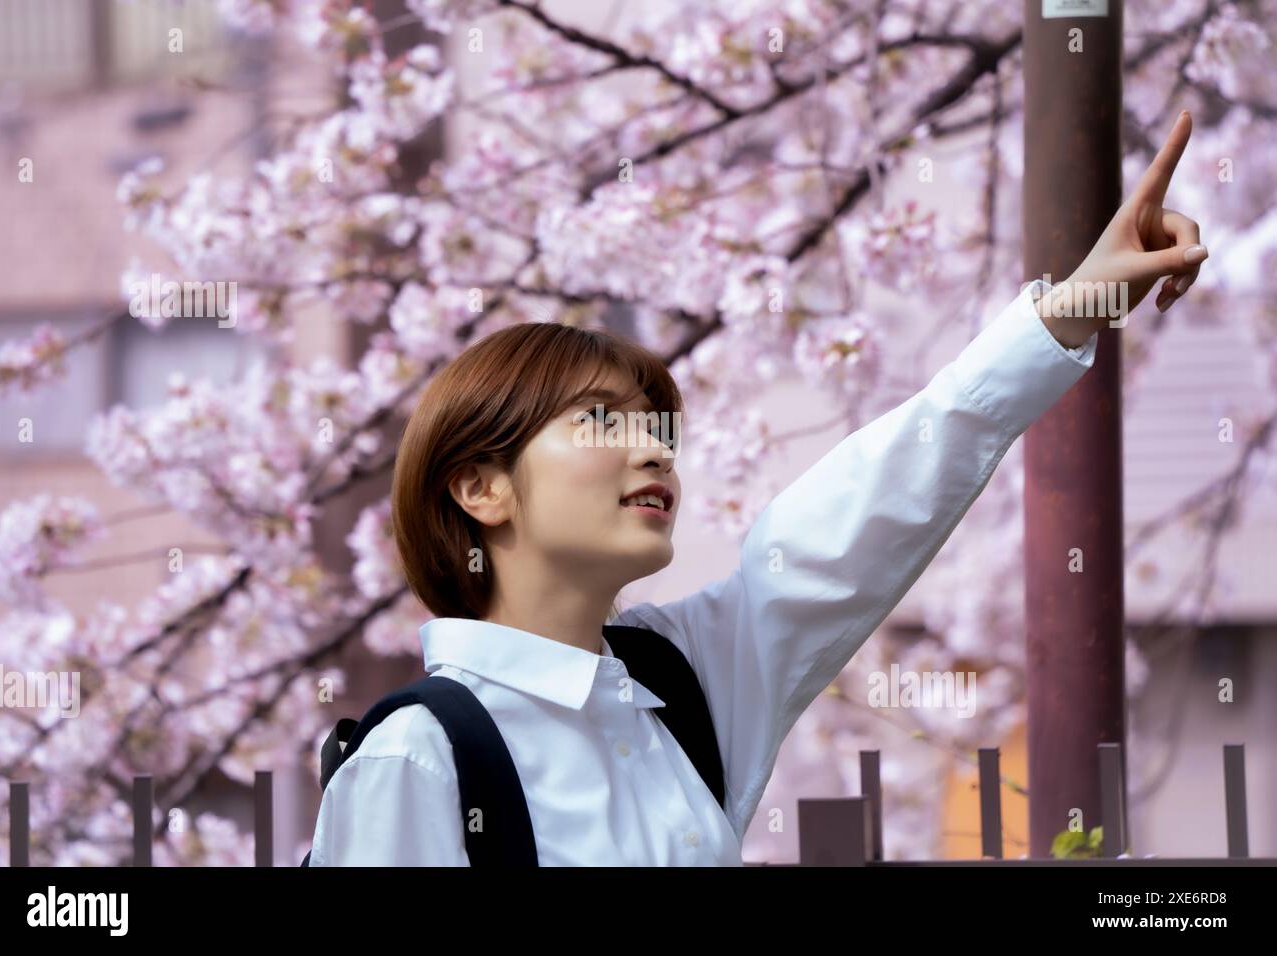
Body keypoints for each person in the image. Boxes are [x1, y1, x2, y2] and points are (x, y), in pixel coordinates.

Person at [307, 112, 1206, 866]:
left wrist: (1072, 307)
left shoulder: (679, 684)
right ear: (481, 488)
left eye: (659, 428)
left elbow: (868, 506)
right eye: (600, 422)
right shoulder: (418, 759)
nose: (654, 452)